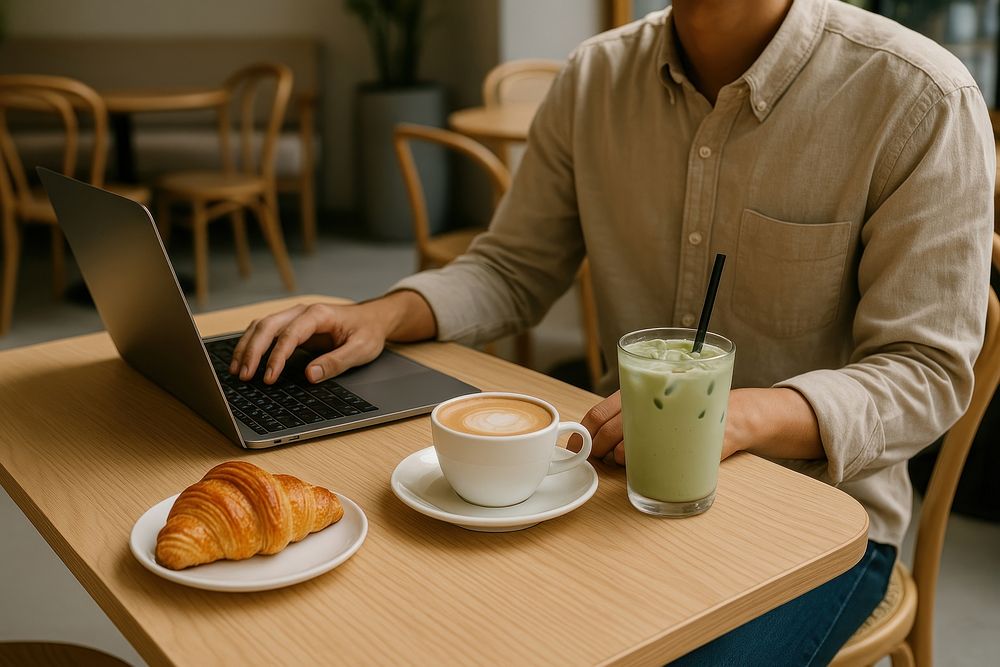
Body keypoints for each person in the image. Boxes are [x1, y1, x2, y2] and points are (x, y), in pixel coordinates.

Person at [229, 0, 994, 663]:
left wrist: (733, 417)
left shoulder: (917, 97)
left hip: (818, 524)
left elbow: (924, 369)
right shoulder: (593, 78)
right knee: (411, 618)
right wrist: (380, 314)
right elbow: (512, 266)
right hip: (615, 488)